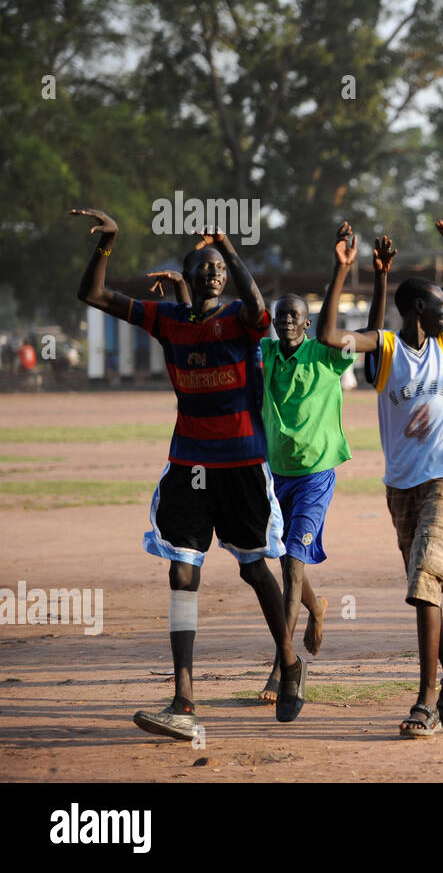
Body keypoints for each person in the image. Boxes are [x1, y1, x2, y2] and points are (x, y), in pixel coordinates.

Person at [73, 208, 305, 738]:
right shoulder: (168, 320)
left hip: (244, 464)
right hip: (191, 465)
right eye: (205, 265)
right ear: (189, 273)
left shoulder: (242, 321)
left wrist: (228, 245)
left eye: (220, 266)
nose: (214, 272)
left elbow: (258, 305)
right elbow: (94, 296)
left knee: (253, 570)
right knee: (182, 572)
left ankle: (289, 662)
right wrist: (107, 244)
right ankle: (184, 700)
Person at [317, 220, 443, 737]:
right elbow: (329, 336)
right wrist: (345, 271)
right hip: (400, 483)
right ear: (416, 310)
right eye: (439, 305)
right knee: (422, 583)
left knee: (423, 582)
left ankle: (426, 700)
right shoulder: (385, 348)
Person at [254, 231, 386, 702]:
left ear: (307, 325)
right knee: (285, 559)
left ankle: (281, 666)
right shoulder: (264, 356)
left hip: (315, 475)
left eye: (296, 316)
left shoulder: (329, 356)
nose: (287, 321)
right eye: (281, 315)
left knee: (290, 561)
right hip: (273, 476)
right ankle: (317, 605)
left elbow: (370, 333)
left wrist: (344, 269)